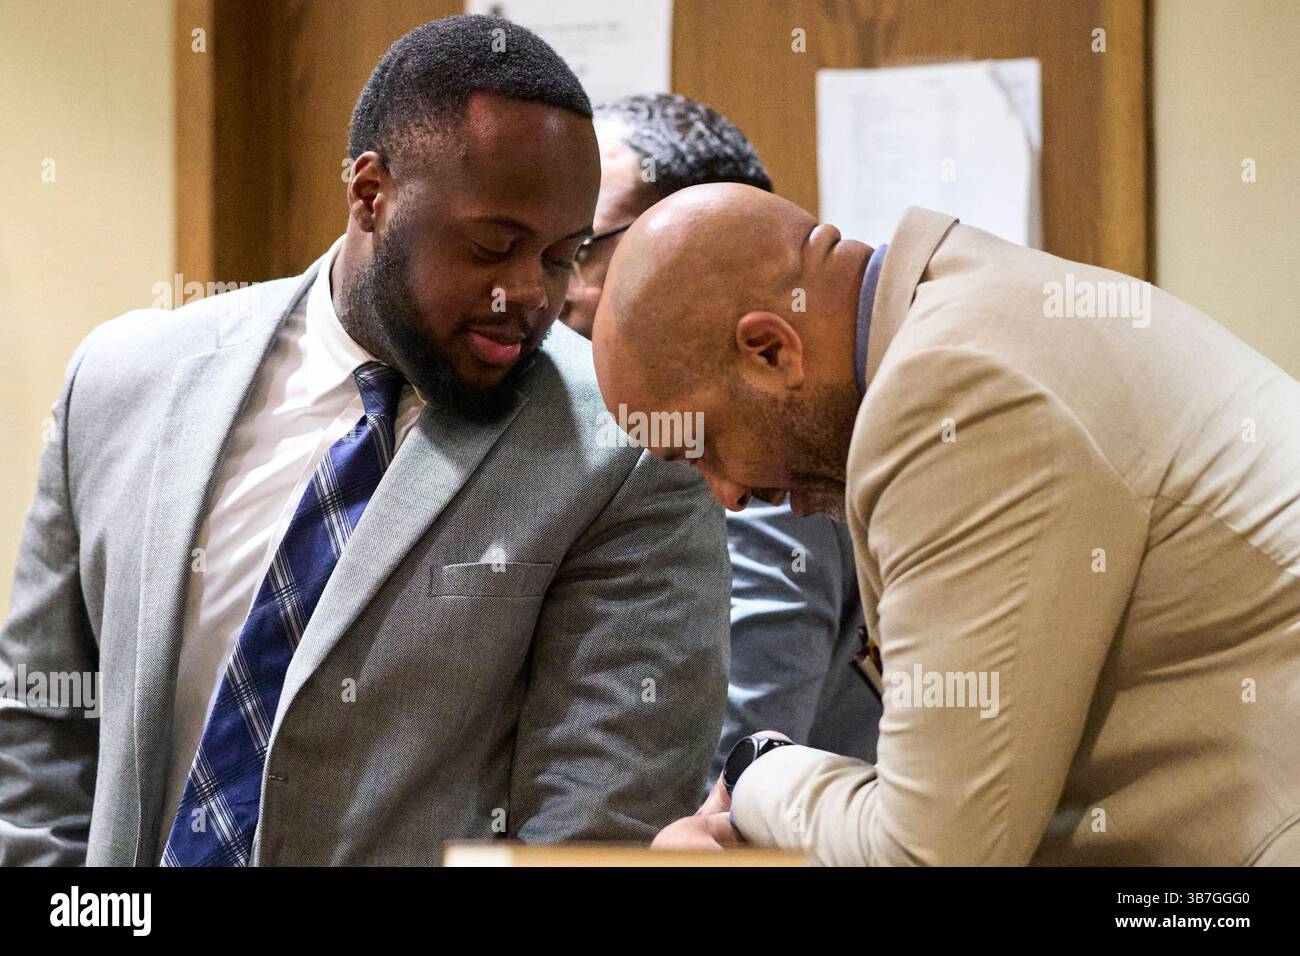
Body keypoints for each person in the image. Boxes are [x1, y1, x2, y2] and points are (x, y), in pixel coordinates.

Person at [0, 16, 730, 867]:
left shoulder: (625, 450)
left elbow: (591, 831)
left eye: (563, 257)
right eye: (493, 247)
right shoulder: (125, 381)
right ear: (371, 194)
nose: (527, 296)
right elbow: (42, 732)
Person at [592, 182, 1300, 865]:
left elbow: (931, 854)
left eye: (701, 446)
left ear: (773, 352)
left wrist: (756, 772)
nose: (728, 493)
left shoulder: (951, 393)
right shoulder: (971, 311)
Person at [561, 93, 880, 781]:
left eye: (584, 250)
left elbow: (734, 752)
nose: (561, 288)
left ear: (687, 240)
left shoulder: (765, 432)